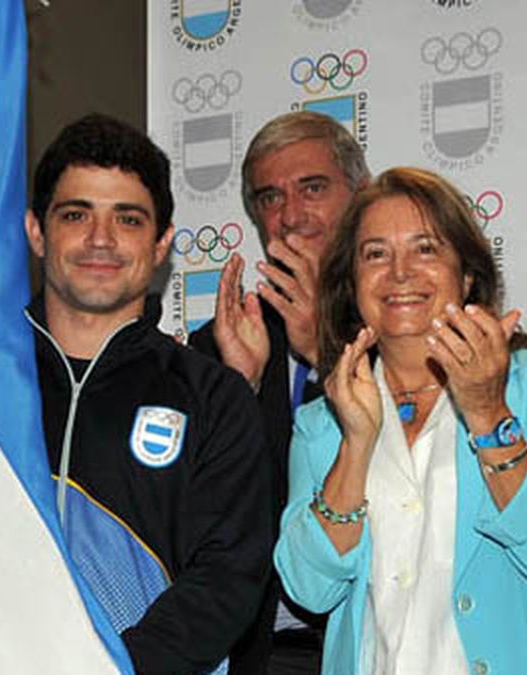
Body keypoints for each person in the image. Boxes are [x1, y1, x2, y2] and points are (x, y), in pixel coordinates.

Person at [275, 167, 527, 675]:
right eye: (376, 254)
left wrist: (487, 412)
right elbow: (309, 588)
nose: (400, 272)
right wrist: (356, 446)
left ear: (467, 275)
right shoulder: (324, 421)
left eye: (425, 249)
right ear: (353, 284)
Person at [23, 113, 273, 674]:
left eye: (128, 219)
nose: (100, 239)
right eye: (75, 214)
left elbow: (229, 577)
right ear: (37, 231)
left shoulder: (214, 397)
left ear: (161, 244)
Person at [189, 111, 369, 674]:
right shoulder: (222, 340)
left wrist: (327, 346)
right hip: (262, 651)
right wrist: (240, 387)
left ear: (359, 195)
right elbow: (198, 510)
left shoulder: (410, 325)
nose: (291, 216)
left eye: (312, 188)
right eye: (270, 198)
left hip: (380, 636)